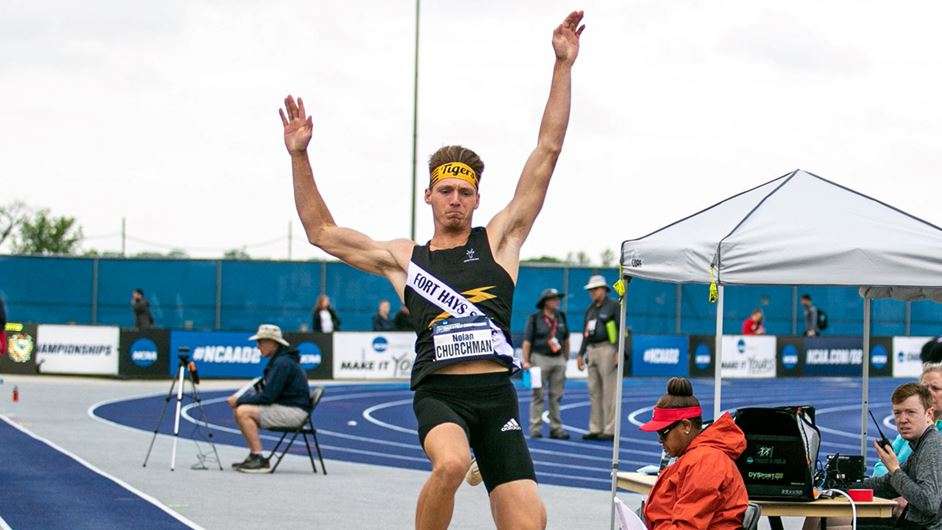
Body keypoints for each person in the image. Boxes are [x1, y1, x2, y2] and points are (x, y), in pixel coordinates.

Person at [279, 10, 584, 529]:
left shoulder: (500, 240)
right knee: (450, 463)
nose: (456, 201)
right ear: (429, 195)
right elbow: (321, 232)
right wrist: (299, 156)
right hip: (440, 392)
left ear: (477, 198)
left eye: (466, 193)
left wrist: (562, 65)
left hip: (496, 397)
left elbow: (547, 151)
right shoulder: (406, 259)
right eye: (446, 191)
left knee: (531, 524)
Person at [639, 377, 748, 529]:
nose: (660, 440)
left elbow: (687, 526)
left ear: (685, 426)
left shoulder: (705, 462)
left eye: (663, 433)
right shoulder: (695, 457)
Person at [853, 383, 942, 529]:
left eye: (910, 412)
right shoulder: (920, 445)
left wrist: (894, 469)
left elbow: (929, 504)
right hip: (913, 524)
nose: (902, 419)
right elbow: (887, 485)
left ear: (929, 414)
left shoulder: (932, 446)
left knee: (837, 525)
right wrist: (841, 488)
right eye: (897, 413)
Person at [225, 324, 311, 473]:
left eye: (260, 342)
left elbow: (267, 397)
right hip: (290, 408)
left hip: (295, 413)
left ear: (272, 343)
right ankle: (254, 455)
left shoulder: (282, 363)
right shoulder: (281, 360)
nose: (257, 346)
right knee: (240, 411)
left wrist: (239, 400)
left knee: (243, 411)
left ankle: (258, 459)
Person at [522, 288, 570, 440]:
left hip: (558, 359)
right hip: (539, 358)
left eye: (557, 298)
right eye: (553, 298)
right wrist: (526, 360)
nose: (557, 301)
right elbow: (527, 341)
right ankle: (535, 427)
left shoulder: (561, 316)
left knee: (557, 396)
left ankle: (556, 428)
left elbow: (567, 338)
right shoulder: (535, 318)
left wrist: (565, 358)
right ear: (545, 302)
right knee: (538, 395)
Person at [577, 274, 620, 441]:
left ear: (604, 289)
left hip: (608, 349)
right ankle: (595, 428)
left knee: (610, 392)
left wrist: (618, 351)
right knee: (594, 392)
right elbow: (586, 333)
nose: (592, 292)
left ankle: (610, 429)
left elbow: (621, 330)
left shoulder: (614, 306)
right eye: (590, 290)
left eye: (595, 289)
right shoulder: (590, 310)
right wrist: (581, 353)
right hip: (592, 350)